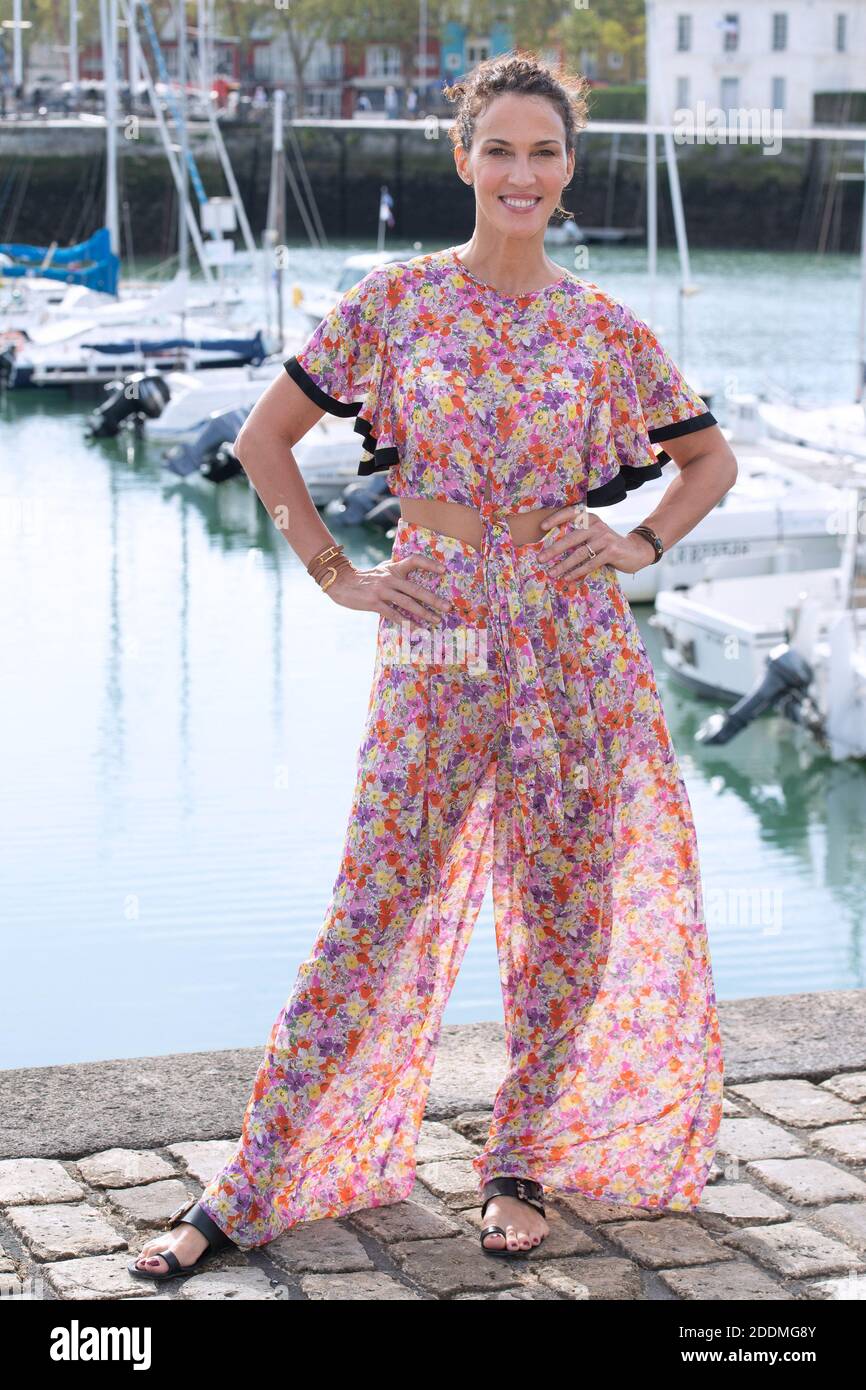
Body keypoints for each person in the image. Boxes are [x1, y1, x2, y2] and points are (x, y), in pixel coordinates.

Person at [129, 49, 731, 1282]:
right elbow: (264, 440)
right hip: (440, 627)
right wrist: (334, 574)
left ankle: (518, 1156)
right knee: (376, 904)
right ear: (463, 159)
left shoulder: (604, 328)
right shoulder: (395, 304)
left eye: (544, 152)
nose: (522, 172)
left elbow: (709, 461)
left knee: (567, 909)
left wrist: (637, 539)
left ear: (569, 172)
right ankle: (252, 1182)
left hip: (571, 635)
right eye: (499, 149)